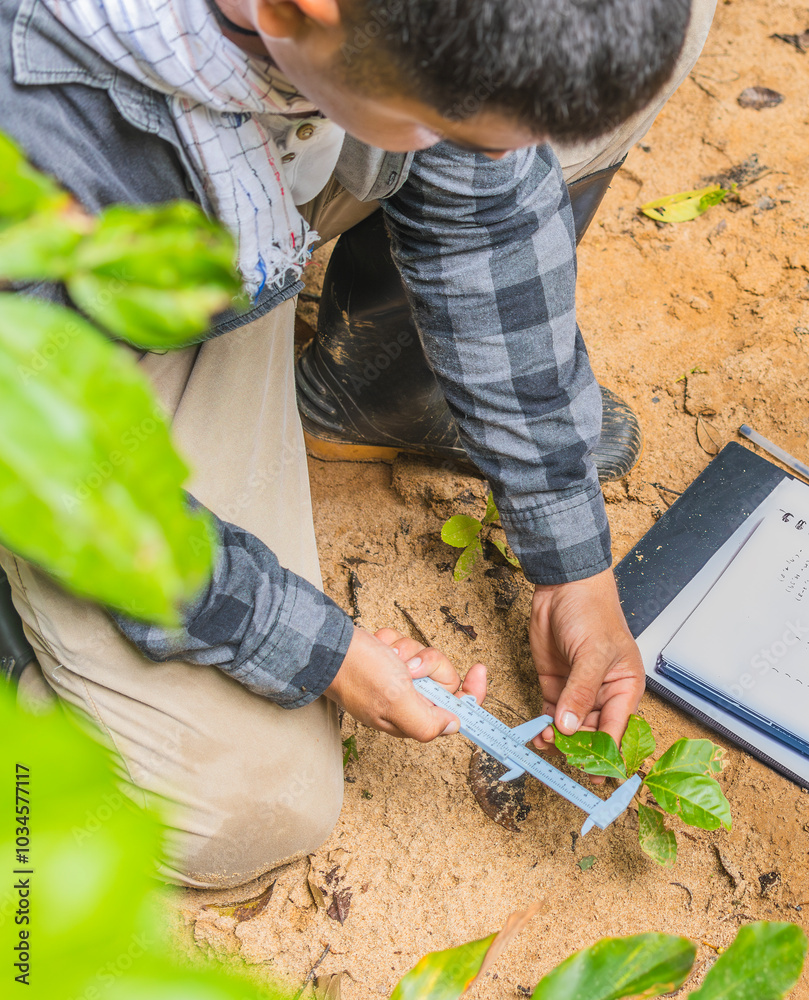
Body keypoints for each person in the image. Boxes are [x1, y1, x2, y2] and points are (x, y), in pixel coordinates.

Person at [0, 0, 715, 888]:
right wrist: (318, 649)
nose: (490, 160)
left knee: (551, 87)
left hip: (222, 178)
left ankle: (370, 386)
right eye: (448, 127)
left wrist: (573, 561)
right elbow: (60, 474)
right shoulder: (30, 143)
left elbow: (488, 209)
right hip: (39, 382)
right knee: (245, 809)